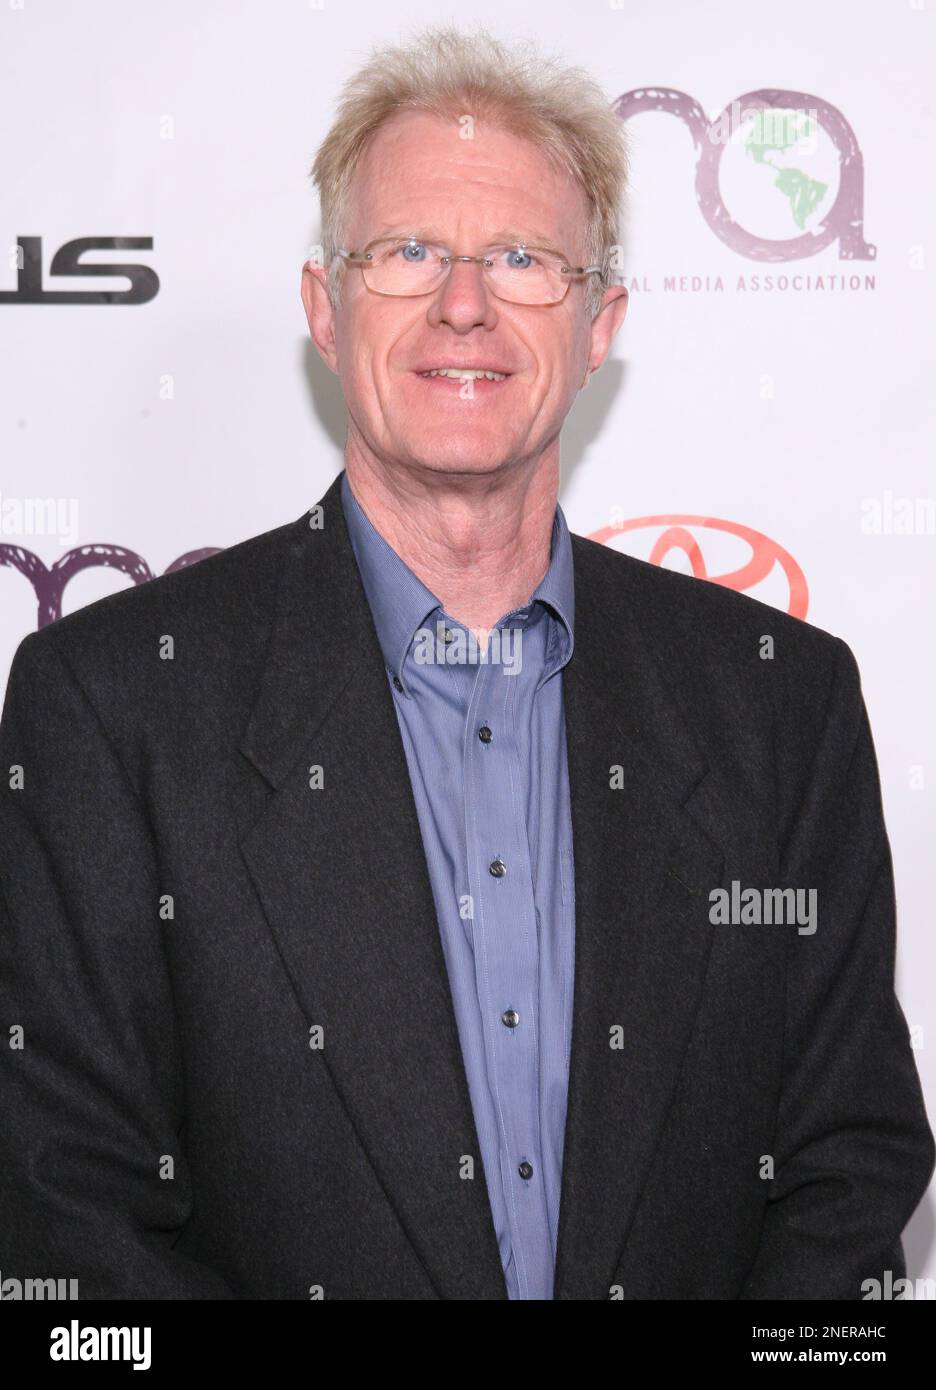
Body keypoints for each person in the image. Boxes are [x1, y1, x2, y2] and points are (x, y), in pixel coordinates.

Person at [0, 27, 932, 1301]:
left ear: (599, 320)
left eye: (522, 258)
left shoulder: (781, 702)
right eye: (409, 252)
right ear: (327, 309)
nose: (462, 302)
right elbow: (69, 1211)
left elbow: (846, 1165)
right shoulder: (109, 707)